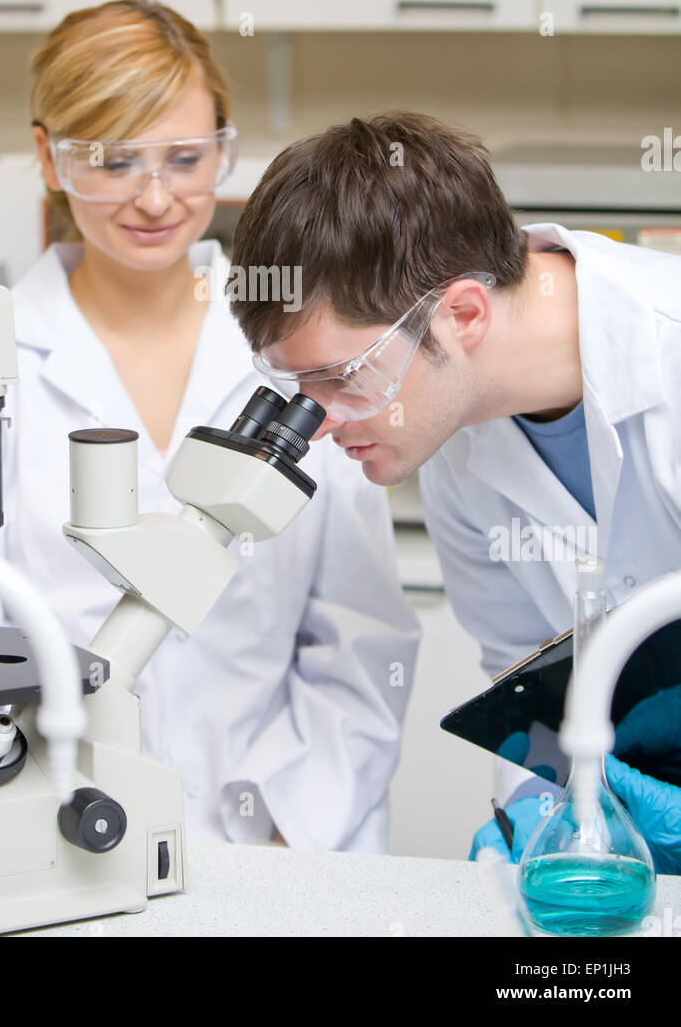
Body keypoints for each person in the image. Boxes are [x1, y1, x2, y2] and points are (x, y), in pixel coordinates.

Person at [0, 0, 420, 853]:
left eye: (187, 158)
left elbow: (360, 637)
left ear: (223, 151)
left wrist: (285, 831)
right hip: (50, 829)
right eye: (116, 161)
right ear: (50, 158)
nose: (157, 198)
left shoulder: (302, 344)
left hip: (276, 841)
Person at [227, 109, 681, 870]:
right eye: (297, 386)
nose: (320, 423)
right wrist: (542, 811)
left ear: (463, 314)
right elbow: (530, 680)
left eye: (340, 377)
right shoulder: (448, 434)